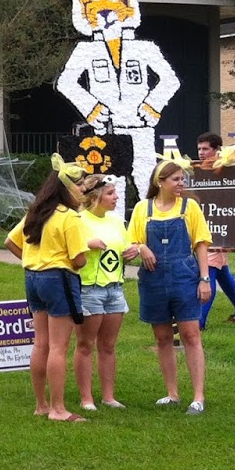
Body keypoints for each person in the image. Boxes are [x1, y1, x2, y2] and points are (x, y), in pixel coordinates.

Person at [5, 161, 89, 422]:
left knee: (40, 343)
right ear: (67, 187)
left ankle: (41, 404)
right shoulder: (69, 217)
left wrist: (33, 260)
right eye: (80, 185)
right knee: (58, 347)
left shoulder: (37, 211)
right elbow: (79, 260)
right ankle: (58, 409)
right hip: (59, 279)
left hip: (33, 278)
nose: (84, 190)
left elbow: (10, 241)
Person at [130, 160, 212, 414]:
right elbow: (131, 242)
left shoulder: (190, 207)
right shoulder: (143, 209)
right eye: (176, 179)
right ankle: (172, 393)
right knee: (162, 337)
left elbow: (201, 243)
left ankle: (198, 396)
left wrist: (204, 278)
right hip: (153, 279)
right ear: (160, 182)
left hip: (184, 276)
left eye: (182, 179)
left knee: (190, 335)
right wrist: (142, 247)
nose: (181, 184)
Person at [73, 175, 143, 410]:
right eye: (111, 193)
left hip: (114, 288)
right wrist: (86, 244)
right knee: (85, 344)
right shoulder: (78, 220)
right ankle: (86, 398)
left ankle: (108, 396)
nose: (116, 198)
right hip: (89, 288)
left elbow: (125, 245)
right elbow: (68, 250)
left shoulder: (115, 222)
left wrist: (133, 250)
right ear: (96, 197)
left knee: (109, 345)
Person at [194, 133, 235, 324]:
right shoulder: (201, 168)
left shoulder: (226, 167)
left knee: (209, 267)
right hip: (208, 224)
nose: (201, 153)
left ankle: (200, 321)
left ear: (217, 149)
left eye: (205, 149)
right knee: (221, 268)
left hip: (221, 226)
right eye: (199, 149)